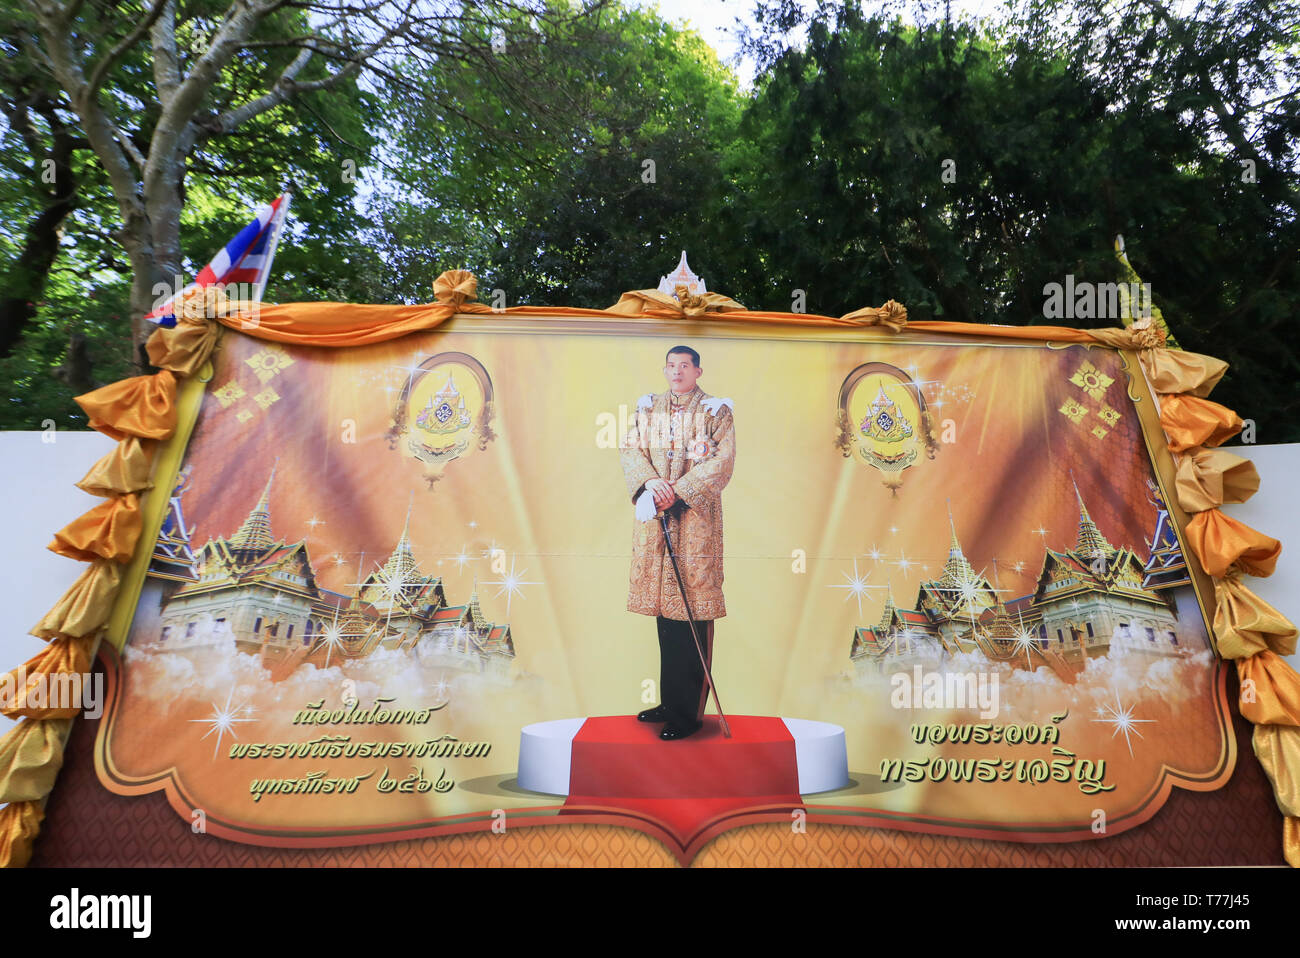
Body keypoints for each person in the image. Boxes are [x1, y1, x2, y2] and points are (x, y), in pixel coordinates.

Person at [619, 345, 735, 740]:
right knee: (666, 621)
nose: (677, 372)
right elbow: (631, 449)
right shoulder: (647, 408)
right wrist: (651, 484)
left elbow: (722, 461)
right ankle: (670, 702)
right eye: (671, 365)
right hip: (657, 520)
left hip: (694, 522)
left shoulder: (716, 411)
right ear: (665, 369)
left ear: (698, 371)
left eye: (684, 366)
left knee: (691, 618)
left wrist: (679, 491)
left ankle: (689, 714)